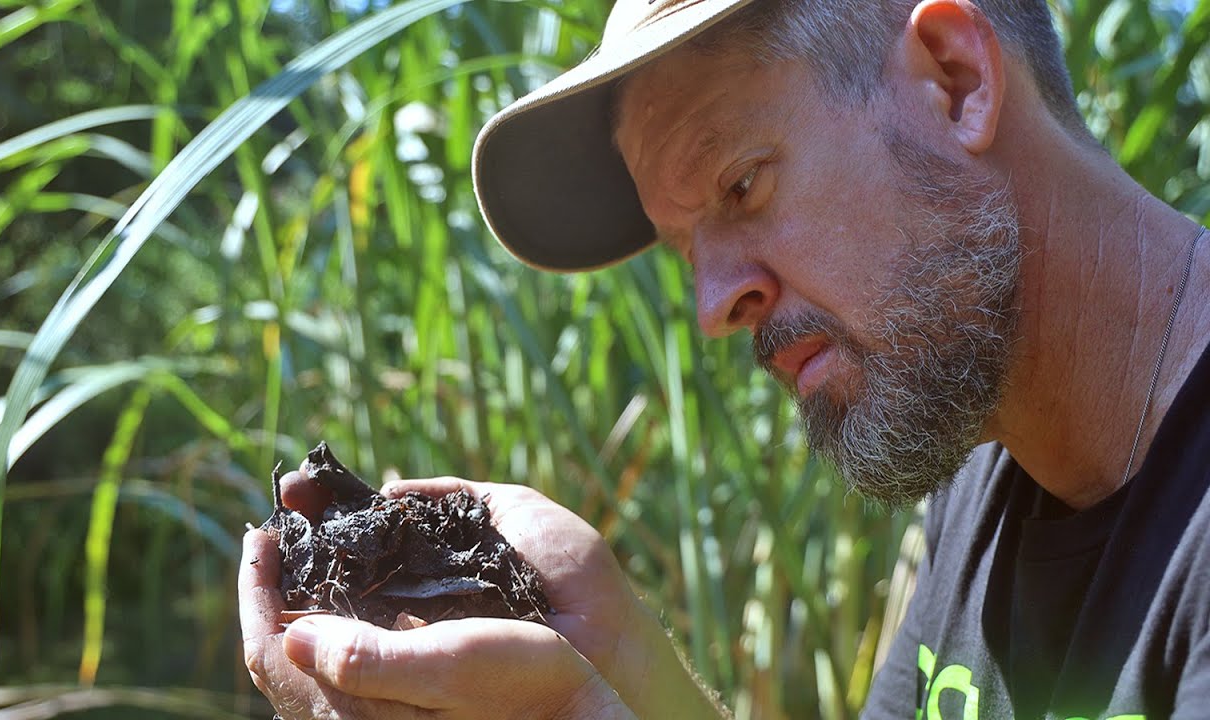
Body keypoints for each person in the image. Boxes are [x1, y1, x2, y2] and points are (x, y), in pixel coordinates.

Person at [239, 0, 1210, 716]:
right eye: (682, 247)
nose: (713, 308)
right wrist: (615, 649)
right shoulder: (992, 461)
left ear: (954, 82)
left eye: (740, 184)